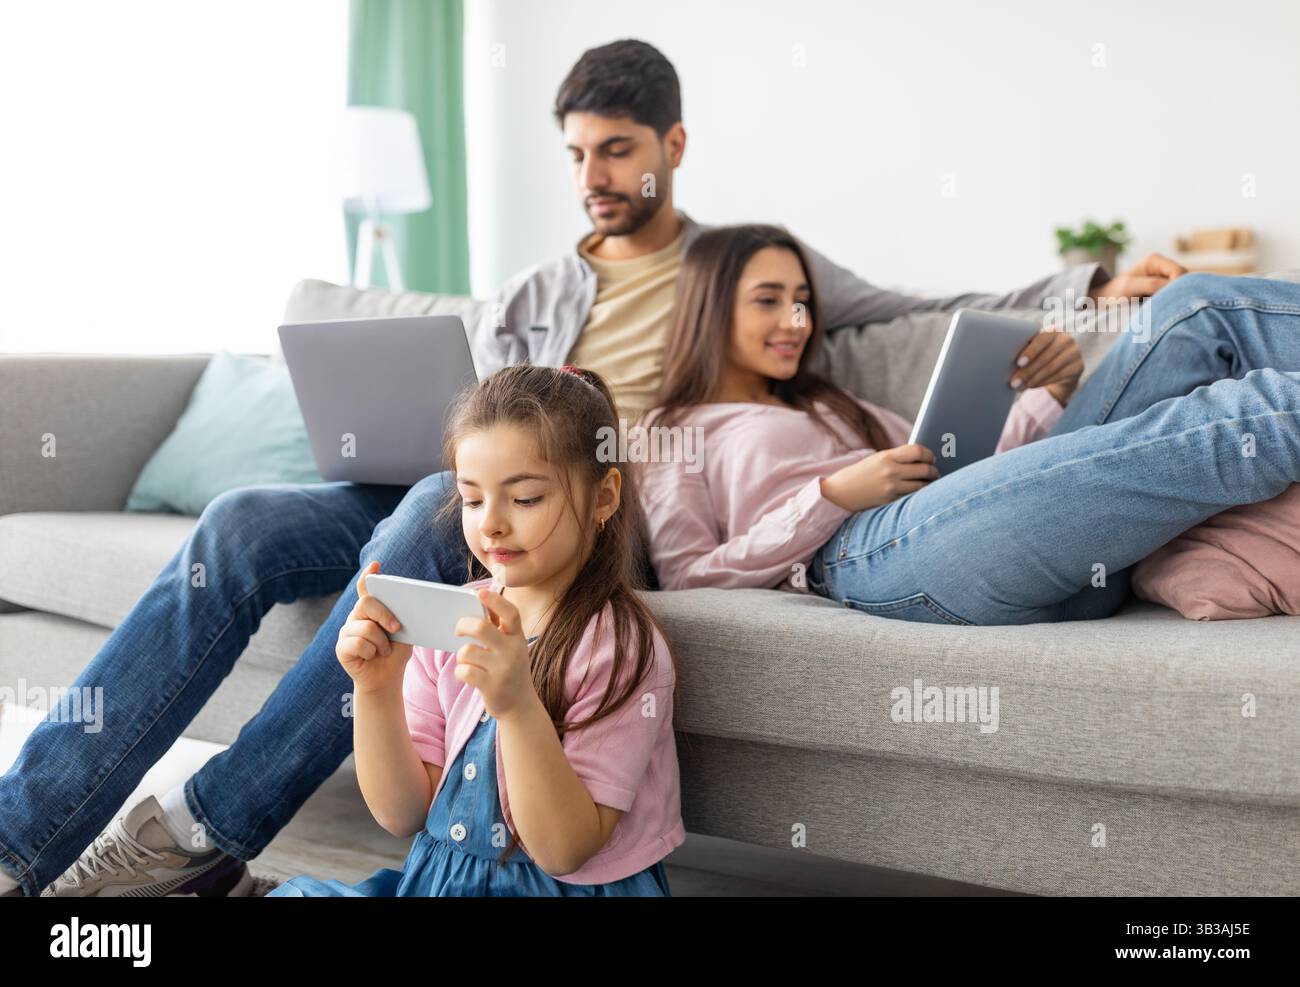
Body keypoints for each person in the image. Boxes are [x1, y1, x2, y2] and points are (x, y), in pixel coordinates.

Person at [0, 38, 1173, 898]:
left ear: (671, 146)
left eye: (616, 151)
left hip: (596, 509)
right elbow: (472, 428)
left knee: (433, 513)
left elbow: (939, 306)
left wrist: (1092, 294)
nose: (594, 177)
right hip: (472, 481)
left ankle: (205, 830)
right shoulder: (535, 294)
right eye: (574, 156)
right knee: (248, 522)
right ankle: (20, 839)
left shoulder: (741, 264)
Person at [638, 224, 1300, 625]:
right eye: (769, 301)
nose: (796, 321)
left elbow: (979, 478)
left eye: (803, 301)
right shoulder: (675, 431)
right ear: (709, 308)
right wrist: (830, 497)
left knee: (1192, 306)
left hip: (984, 529)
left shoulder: (834, 402)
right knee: (1236, 418)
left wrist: (1056, 387)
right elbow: (688, 580)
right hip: (861, 555)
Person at [267, 364, 680, 896]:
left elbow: (564, 850)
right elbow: (403, 813)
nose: (491, 524)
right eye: (472, 498)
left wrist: (517, 705)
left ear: (603, 497)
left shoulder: (620, 647)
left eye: (525, 498)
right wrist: (375, 690)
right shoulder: (455, 617)